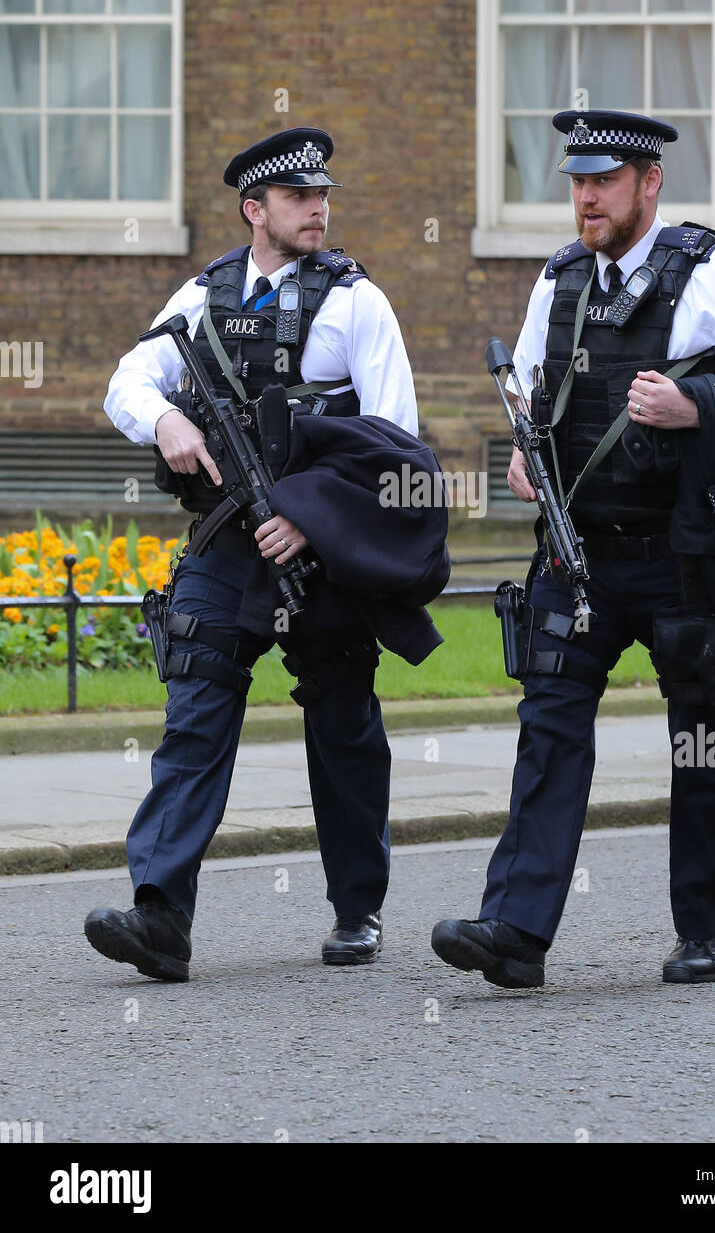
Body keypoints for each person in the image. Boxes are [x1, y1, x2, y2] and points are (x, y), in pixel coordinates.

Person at [431, 109, 715, 989]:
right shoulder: (558, 280)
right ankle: (515, 932)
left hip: (684, 555)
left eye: (604, 180)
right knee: (549, 725)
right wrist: (526, 453)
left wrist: (697, 409)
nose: (587, 196)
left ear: (650, 184)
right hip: (580, 553)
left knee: (702, 737)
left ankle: (704, 930)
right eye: (577, 180)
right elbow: (528, 400)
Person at [85, 127, 420, 981]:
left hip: (321, 549)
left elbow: (397, 448)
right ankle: (160, 915)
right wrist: (165, 420)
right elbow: (128, 378)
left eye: (324, 196)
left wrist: (312, 519)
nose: (318, 208)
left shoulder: (356, 303)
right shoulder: (204, 298)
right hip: (225, 545)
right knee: (194, 715)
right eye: (300, 198)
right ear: (255, 210)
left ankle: (358, 909)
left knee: (342, 722)